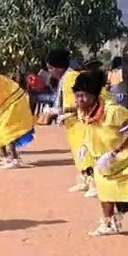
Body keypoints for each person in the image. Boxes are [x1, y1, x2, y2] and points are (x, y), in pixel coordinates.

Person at [73, 70, 128, 243]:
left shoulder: (113, 112)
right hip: (111, 151)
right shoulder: (83, 112)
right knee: (103, 183)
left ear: (94, 96)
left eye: (83, 96)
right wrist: (86, 145)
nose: (79, 100)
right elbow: (91, 130)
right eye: (77, 96)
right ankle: (109, 224)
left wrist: (114, 153)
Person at [47, 49, 95, 196]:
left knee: (86, 152)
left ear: (58, 67)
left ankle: (95, 183)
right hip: (72, 123)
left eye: (50, 68)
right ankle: (85, 179)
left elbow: (85, 100)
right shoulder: (65, 79)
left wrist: (64, 110)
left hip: (81, 122)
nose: (49, 72)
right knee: (78, 153)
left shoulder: (73, 77)